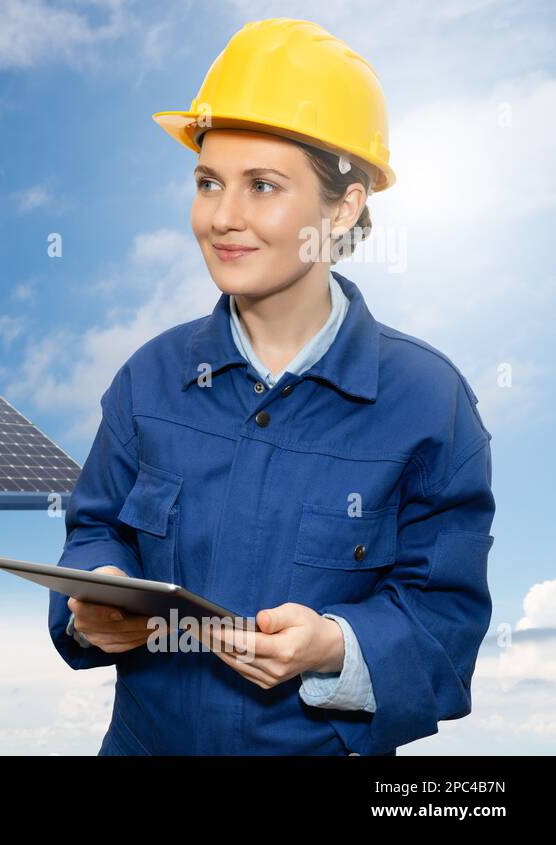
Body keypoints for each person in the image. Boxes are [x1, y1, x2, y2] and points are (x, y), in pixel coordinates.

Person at [48, 18, 495, 755]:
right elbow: (97, 529)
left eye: (263, 186)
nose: (223, 216)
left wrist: (336, 647)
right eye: (208, 182)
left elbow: (446, 623)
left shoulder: (429, 404)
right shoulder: (149, 380)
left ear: (342, 208)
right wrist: (90, 592)